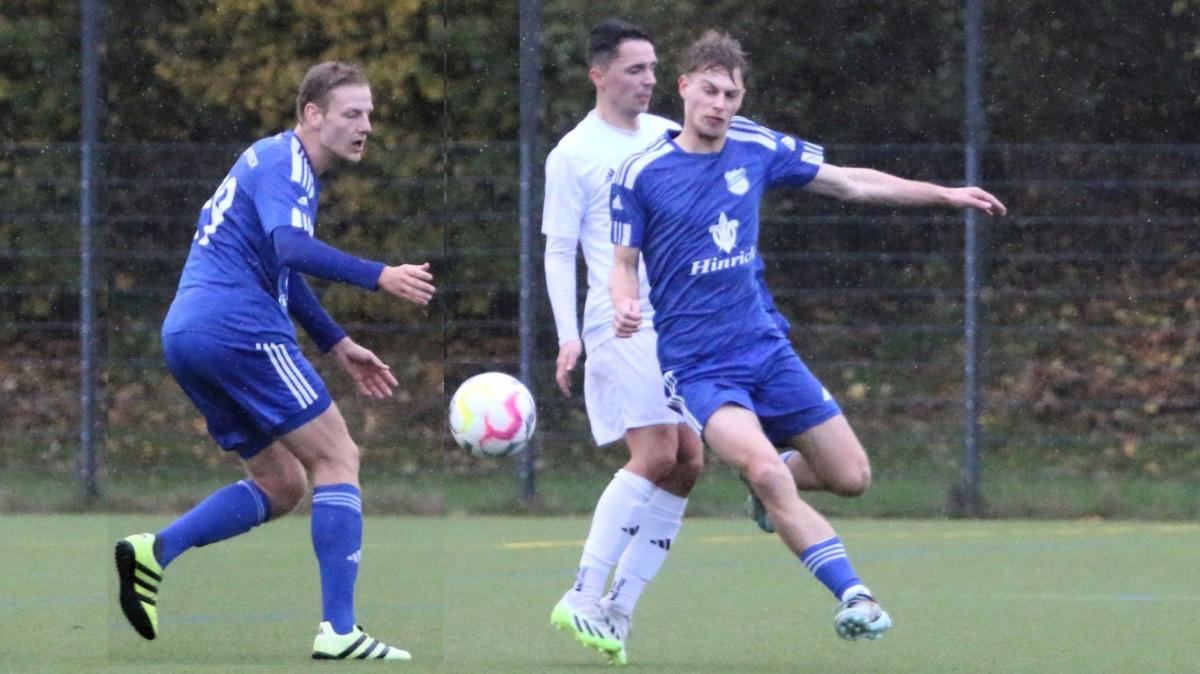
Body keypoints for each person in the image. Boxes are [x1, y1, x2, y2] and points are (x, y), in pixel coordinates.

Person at [609, 31, 1006, 642]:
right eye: (709, 90)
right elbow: (622, 263)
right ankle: (858, 597)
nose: (720, 104)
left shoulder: (755, 145)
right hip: (699, 368)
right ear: (684, 87)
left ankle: (773, 486)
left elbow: (849, 182)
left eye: (731, 94)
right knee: (765, 472)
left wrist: (944, 194)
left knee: (851, 477)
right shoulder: (641, 172)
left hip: (767, 350)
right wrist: (625, 302)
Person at [113, 61, 436, 661]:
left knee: (281, 483)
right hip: (239, 329)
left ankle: (155, 551)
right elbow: (291, 249)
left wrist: (338, 342)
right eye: (352, 114)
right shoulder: (287, 164)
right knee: (338, 456)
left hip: (187, 333)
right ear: (313, 115)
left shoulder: (268, 162)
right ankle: (340, 631)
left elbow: (277, 263)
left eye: (369, 113)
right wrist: (380, 275)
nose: (366, 125)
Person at [541, 20, 702, 667]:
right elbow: (557, 249)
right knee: (658, 449)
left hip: (679, 323)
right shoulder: (572, 153)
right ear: (598, 75)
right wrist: (567, 336)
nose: (649, 81)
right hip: (618, 319)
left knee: (689, 461)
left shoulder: (671, 137)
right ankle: (582, 593)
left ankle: (617, 609)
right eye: (635, 69)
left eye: (654, 70)